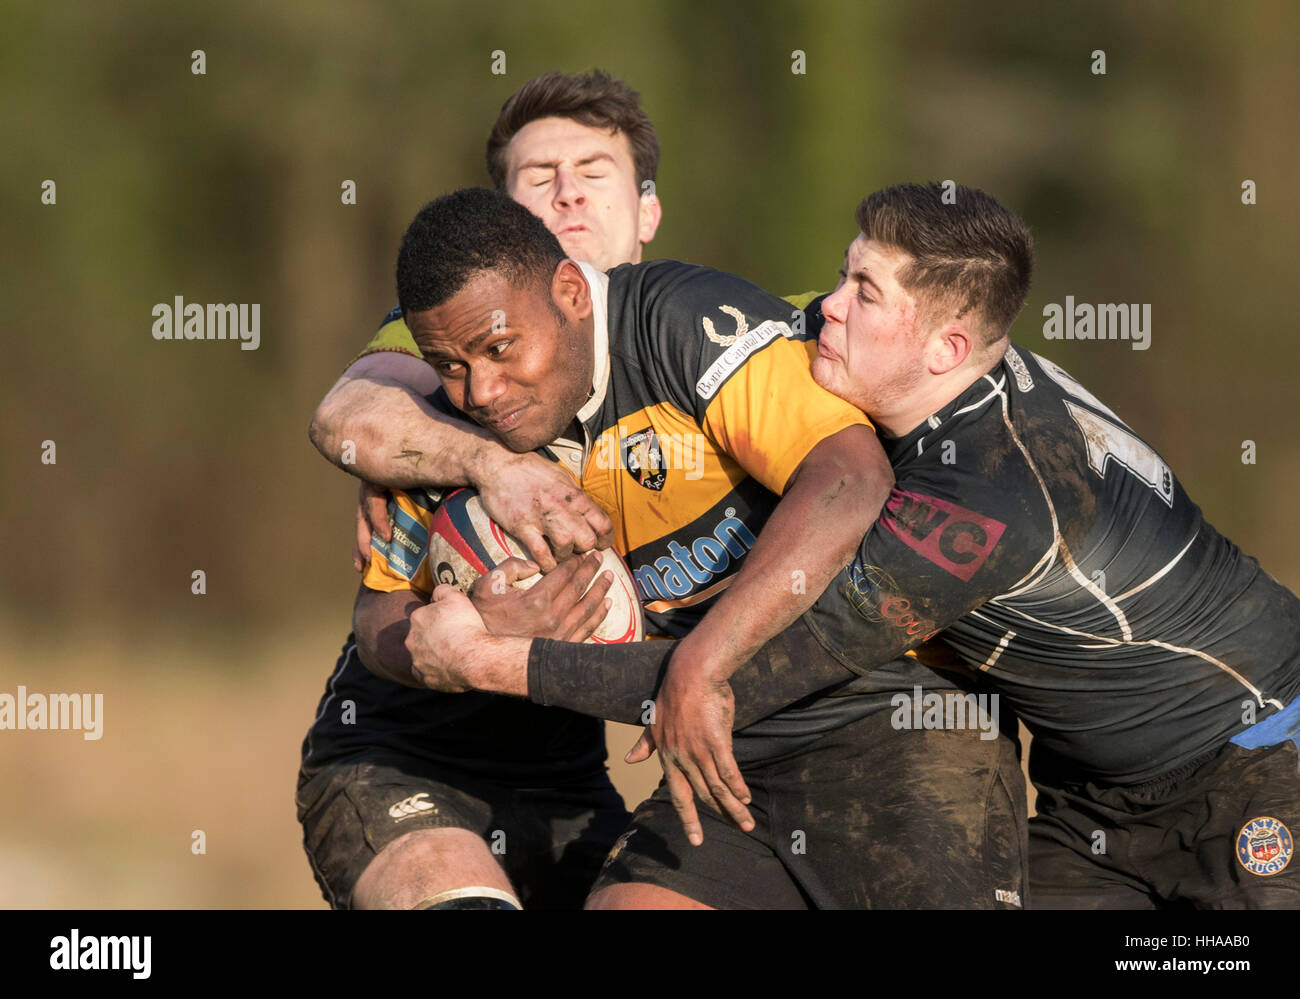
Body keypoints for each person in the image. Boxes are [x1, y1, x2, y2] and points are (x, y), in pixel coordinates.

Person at [415, 181, 1300, 909]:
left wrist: (484, 660)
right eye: (844, 275)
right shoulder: (952, 389)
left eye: (863, 294)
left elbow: (747, 676)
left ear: (947, 346)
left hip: (1258, 762)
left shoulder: (984, 502)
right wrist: (411, 438)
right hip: (1094, 806)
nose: (824, 307)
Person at [357, 186, 1031, 910]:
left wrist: (701, 661)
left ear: (570, 293)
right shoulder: (445, 434)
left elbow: (848, 477)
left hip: (898, 723)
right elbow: (378, 616)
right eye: (449, 365)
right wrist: (458, 644)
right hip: (722, 756)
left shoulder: (683, 324)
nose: (480, 390)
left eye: (499, 349)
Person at [298, 71, 667, 910]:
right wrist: (488, 463)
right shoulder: (450, 383)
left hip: (570, 783)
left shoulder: (703, 356)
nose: (567, 193)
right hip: (401, 759)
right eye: (539, 178)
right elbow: (348, 414)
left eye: (594, 171)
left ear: (646, 211)